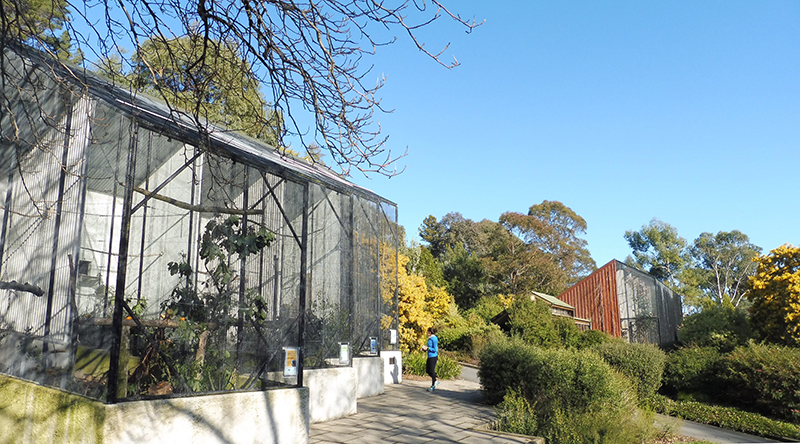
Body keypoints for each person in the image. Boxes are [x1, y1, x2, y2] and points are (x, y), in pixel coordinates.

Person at [421, 327, 439, 391]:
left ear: (430, 332)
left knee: (431, 370)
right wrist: (425, 349)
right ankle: (435, 379)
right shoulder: (430, 338)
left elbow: (435, 349)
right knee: (427, 370)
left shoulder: (434, 339)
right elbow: (429, 347)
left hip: (433, 357)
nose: (427, 332)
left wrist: (428, 348)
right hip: (429, 356)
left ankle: (434, 384)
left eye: (428, 331)